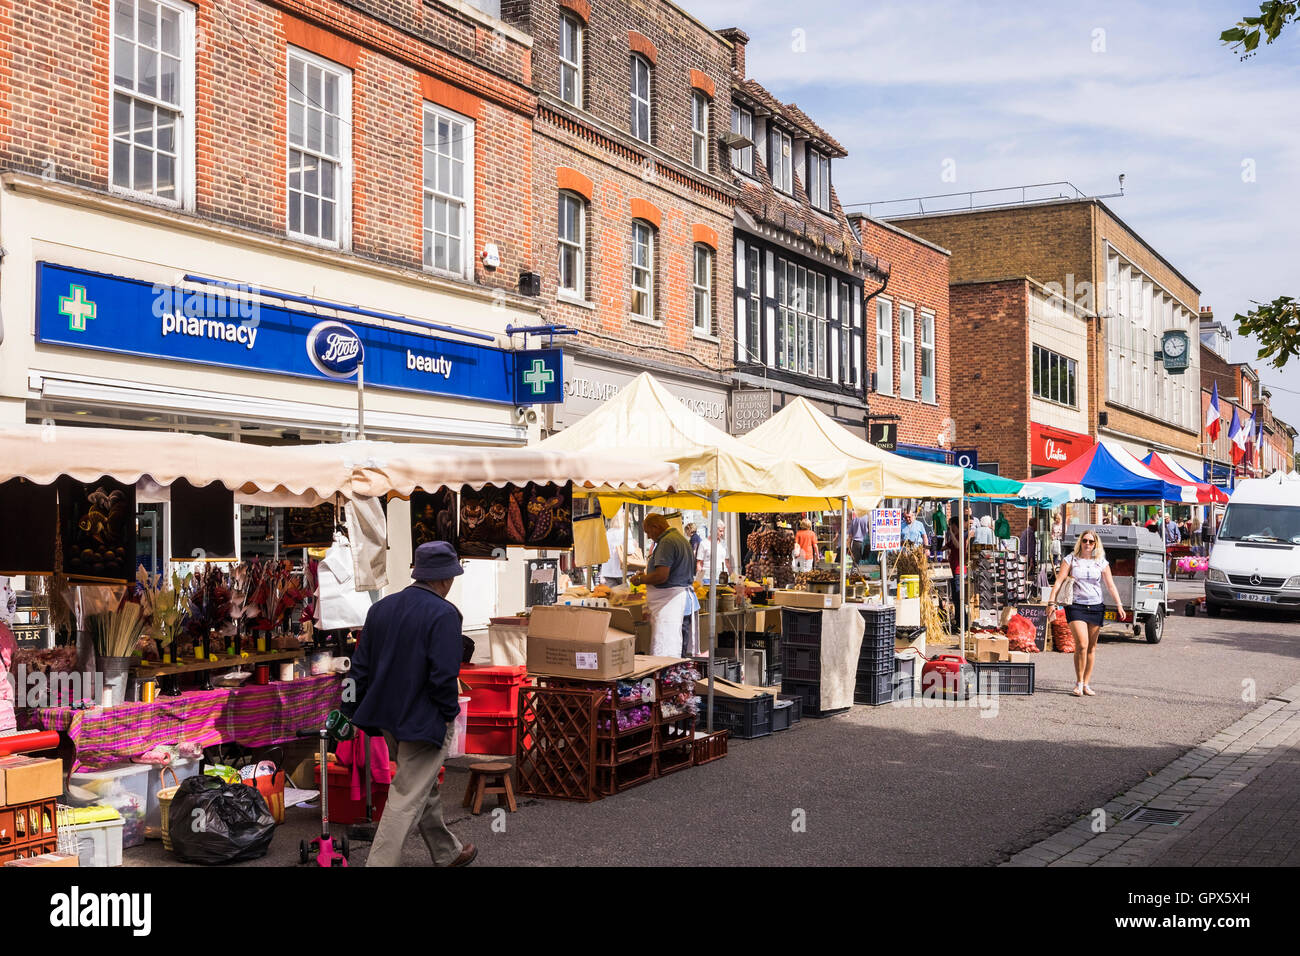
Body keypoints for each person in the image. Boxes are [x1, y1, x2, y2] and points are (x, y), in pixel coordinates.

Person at [345, 541, 476, 867]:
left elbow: (358, 668)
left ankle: (447, 852)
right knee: (406, 795)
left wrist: (349, 709)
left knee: (419, 784)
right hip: (424, 718)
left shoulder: (381, 609)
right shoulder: (445, 614)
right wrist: (449, 712)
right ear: (444, 579)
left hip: (387, 717)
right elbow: (444, 676)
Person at [1046, 530, 1127, 698]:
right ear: (1080, 543)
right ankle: (1079, 682)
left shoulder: (1101, 562)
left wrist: (1119, 604)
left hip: (1096, 606)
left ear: (1096, 544)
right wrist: (1051, 602)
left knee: (1091, 647)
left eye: (1091, 541)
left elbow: (1110, 585)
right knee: (1082, 644)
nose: (1088, 544)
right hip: (1076, 606)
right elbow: (1059, 581)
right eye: (1085, 541)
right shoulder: (1071, 560)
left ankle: (1087, 683)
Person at [630, 514, 695, 657]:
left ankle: (665, 676)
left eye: (648, 532)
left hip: (669, 602)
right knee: (672, 643)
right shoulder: (680, 539)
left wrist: (641, 580)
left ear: (656, 527)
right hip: (676, 599)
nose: (647, 536)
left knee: (665, 645)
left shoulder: (667, 542)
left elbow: (661, 576)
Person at [601, 514, 625, 586]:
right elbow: (630, 550)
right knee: (625, 595)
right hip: (622, 570)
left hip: (608, 570)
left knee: (613, 595)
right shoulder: (625, 532)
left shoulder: (607, 533)